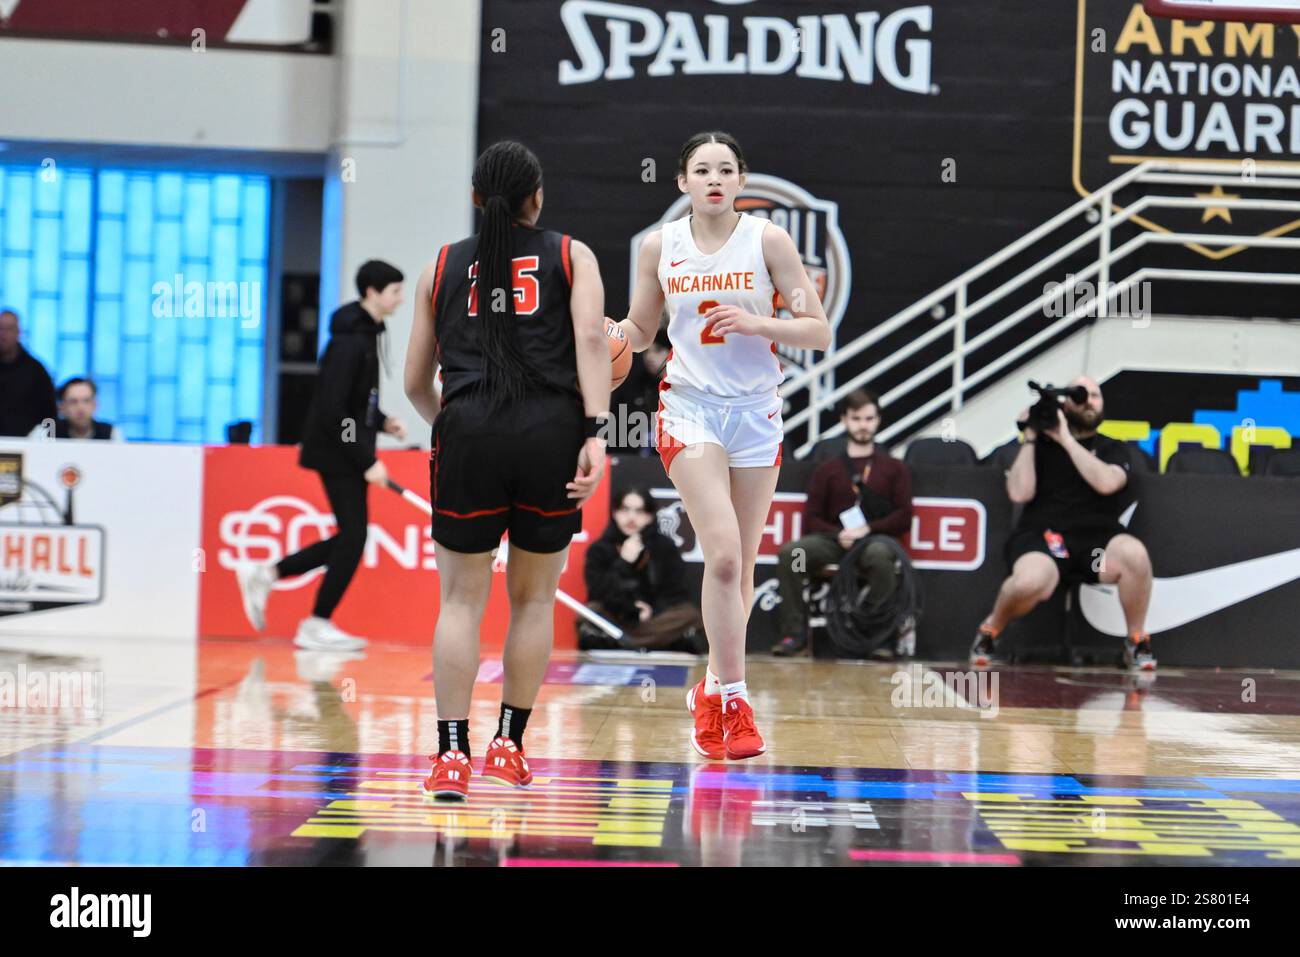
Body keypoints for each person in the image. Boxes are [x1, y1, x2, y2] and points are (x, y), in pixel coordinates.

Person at [403, 140, 610, 800]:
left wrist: (455, 419)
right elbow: (591, 344)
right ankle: (508, 745)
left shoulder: (439, 265)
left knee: (461, 600)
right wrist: (595, 432)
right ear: (537, 197)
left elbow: (412, 382)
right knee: (534, 597)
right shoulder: (571, 255)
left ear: (474, 198)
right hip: (549, 430)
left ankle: (450, 757)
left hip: (468, 428)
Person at [618, 131, 832, 760]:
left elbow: (816, 330)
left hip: (757, 412)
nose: (714, 178)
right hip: (689, 409)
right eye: (701, 169)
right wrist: (599, 333)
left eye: (726, 169)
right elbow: (639, 328)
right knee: (725, 558)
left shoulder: (768, 240)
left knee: (738, 567)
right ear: (681, 181)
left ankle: (708, 687)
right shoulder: (661, 245)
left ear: (742, 180)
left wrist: (757, 321)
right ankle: (735, 701)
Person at [235, 259, 408, 652]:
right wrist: (366, 460)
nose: (399, 300)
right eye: (395, 291)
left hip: (345, 447)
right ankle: (314, 621)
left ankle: (270, 574)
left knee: (352, 537)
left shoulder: (365, 334)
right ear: (372, 292)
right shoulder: (349, 340)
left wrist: (381, 422)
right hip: (337, 452)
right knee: (354, 536)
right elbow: (332, 410)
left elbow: (353, 402)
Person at [970, 375, 1156, 671]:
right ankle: (990, 631)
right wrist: (1031, 436)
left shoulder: (1112, 448)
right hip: (1046, 543)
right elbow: (1019, 492)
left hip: (1092, 551)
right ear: (1064, 405)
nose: (1090, 401)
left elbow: (1108, 483)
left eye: (1096, 396)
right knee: (1030, 582)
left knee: (1135, 555)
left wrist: (1066, 440)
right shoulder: (1039, 446)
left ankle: (1136, 641)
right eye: (1081, 395)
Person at [773, 389, 914, 657]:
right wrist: (838, 534)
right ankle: (795, 633)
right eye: (857, 418)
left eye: (869, 418)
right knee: (793, 554)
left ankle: (879, 636)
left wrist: (868, 530)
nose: (863, 425)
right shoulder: (827, 469)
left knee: (880, 557)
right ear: (844, 420)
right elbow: (812, 518)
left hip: (875, 541)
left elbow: (904, 516)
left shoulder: (894, 468)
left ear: (878, 421)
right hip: (835, 542)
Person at [581, 487, 705, 653]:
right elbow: (598, 592)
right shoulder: (600, 549)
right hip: (618, 616)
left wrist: (650, 609)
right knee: (590, 612)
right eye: (625, 510)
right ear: (615, 512)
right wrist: (623, 562)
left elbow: (674, 592)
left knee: (690, 615)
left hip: (655, 618)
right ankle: (651, 642)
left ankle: (626, 642)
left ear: (650, 516)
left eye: (639, 511)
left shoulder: (664, 547)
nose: (631, 518)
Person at [0, 309, 57, 437]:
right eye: (0, 328)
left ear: (19, 332)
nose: (3, 334)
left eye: (9, 329)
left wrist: (44, 441)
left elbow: (50, 414)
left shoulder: (36, 370)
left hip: (27, 443)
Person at [28, 377, 124, 440]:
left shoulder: (111, 434)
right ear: (62, 407)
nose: (80, 407)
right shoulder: (46, 432)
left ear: (95, 405)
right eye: (73, 401)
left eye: (86, 401)